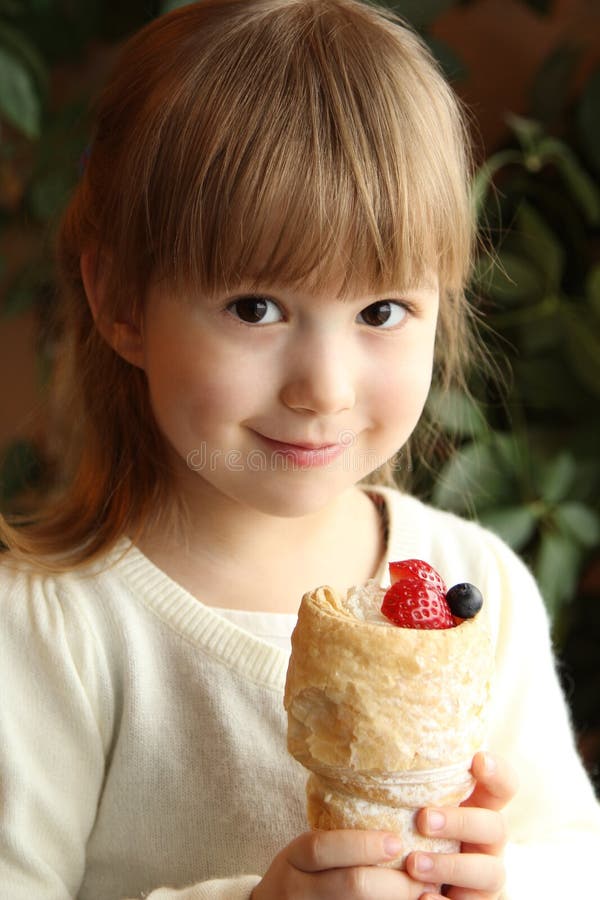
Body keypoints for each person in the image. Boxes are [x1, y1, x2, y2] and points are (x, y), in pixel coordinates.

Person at [1, 1, 599, 898]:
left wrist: (508, 879)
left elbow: (577, 857)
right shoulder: (52, 627)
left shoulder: (476, 583)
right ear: (120, 298)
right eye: (255, 308)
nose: (323, 386)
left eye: (381, 311)